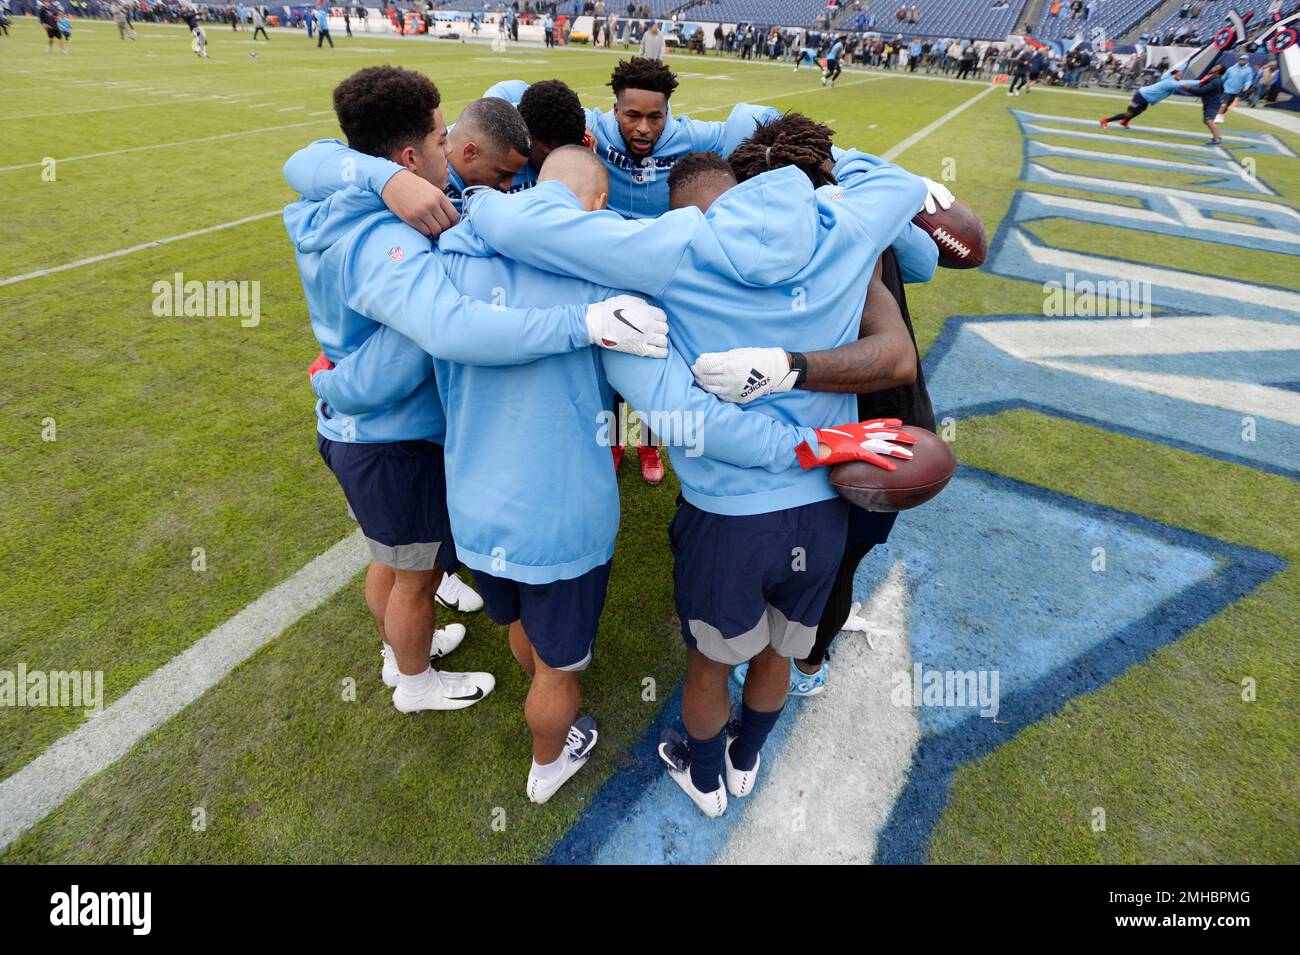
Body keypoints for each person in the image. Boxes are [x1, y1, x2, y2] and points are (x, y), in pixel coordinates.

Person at [462, 116, 931, 815]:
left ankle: (706, 773)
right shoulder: (841, 224)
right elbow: (899, 185)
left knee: (713, 662)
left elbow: (525, 233)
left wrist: (482, 201)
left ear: (683, 210)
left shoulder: (666, 253)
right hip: (826, 504)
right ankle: (747, 759)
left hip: (732, 518)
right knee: (779, 654)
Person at [282, 66, 670, 713]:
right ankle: (410, 676)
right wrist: (583, 323)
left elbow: (308, 160)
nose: (448, 147)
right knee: (412, 574)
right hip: (389, 436)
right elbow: (448, 330)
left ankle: (400, 649)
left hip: (369, 430)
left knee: (399, 562)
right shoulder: (387, 239)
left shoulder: (350, 191)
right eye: (438, 140)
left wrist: (384, 178)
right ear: (414, 155)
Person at [1100, 68, 1198, 128]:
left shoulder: (1170, 80)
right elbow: (1184, 83)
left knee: (1138, 112)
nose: (1180, 76)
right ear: (1173, 75)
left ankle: (1124, 122)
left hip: (1146, 98)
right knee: (1128, 113)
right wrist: (1201, 82)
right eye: (1179, 75)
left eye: (1181, 75)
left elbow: (1183, 81)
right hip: (1141, 95)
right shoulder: (1170, 81)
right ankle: (1105, 120)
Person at [1184, 64, 1226, 144]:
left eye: (1216, 67)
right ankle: (1217, 136)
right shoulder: (1211, 78)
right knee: (1206, 121)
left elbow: (1200, 91)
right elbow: (1200, 86)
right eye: (1215, 66)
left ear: (1218, 72)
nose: (1213, 67)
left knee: (1209, 120)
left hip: (1213, 103)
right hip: (1209, 102)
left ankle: (1217, 139)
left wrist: (1188, 88)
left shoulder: (1216, 81)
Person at [1218, 54, 1253, 122]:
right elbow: (1224, 78)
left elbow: (1248, 80)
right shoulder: (1231, 68)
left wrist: (1246, 87)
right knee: (1223, 104)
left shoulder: (1248, 70)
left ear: (1246, 61)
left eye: (1244, 60)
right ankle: (1217, 116)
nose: (1242, 61)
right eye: (1241, 59)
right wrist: (1219, 84)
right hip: (1227, 89)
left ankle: (1221, 115)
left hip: (1236, 91)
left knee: (1227, 105)